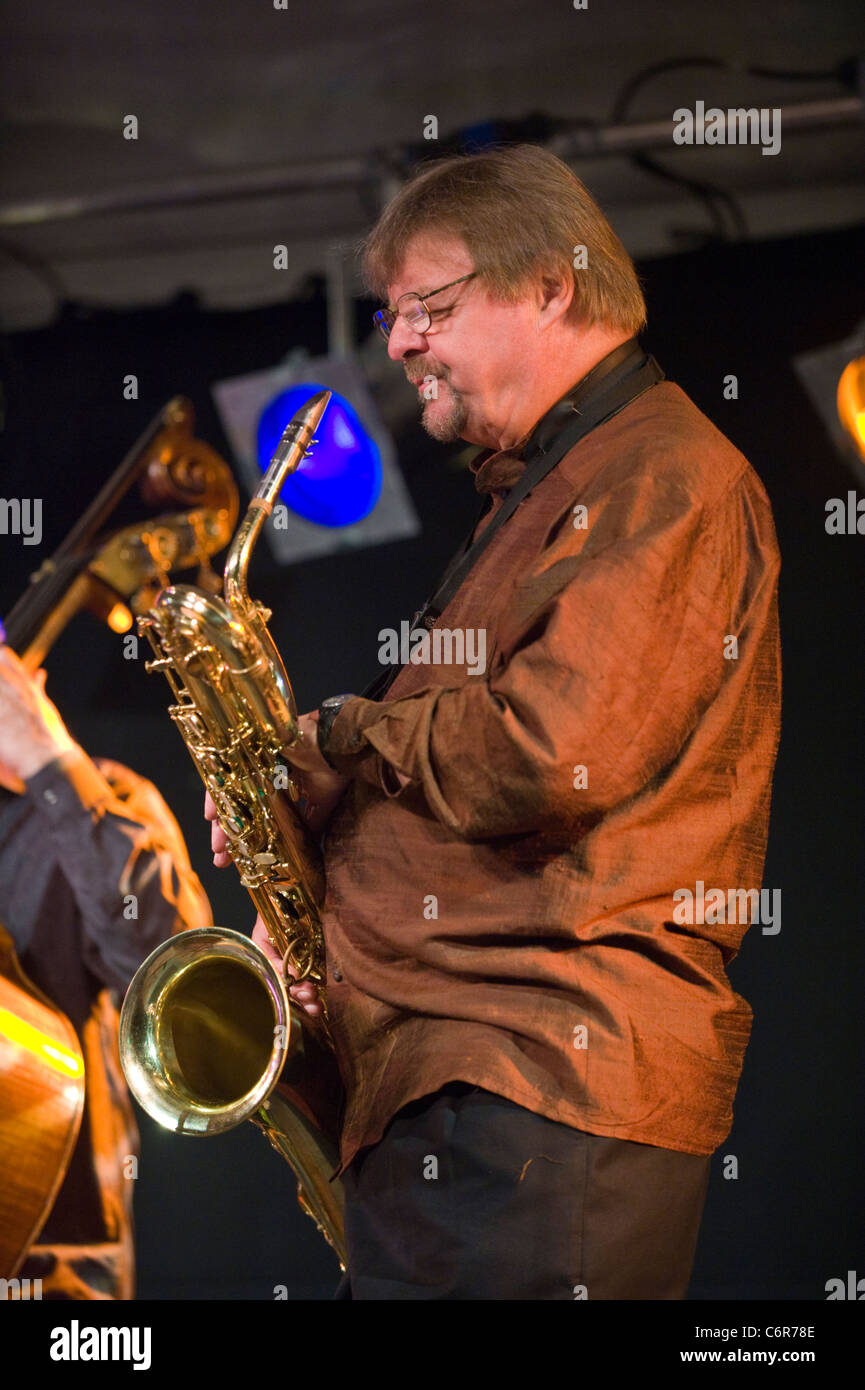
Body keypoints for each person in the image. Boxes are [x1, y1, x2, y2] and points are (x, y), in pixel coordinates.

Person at [208, 144, 782, 1300]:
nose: (398, 343)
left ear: (549, 286)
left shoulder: (665, 471)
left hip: (535, 1094)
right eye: (389, 313)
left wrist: (336, 739)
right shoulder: (546, 486)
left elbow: (547, 749)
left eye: (429, 306)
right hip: (463, 1092)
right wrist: (323, 870)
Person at [0, 644, 211, 1299]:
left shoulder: (107, 796)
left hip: (50, 1262)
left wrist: (47, 759)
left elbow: (187, 994)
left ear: (24, 677)